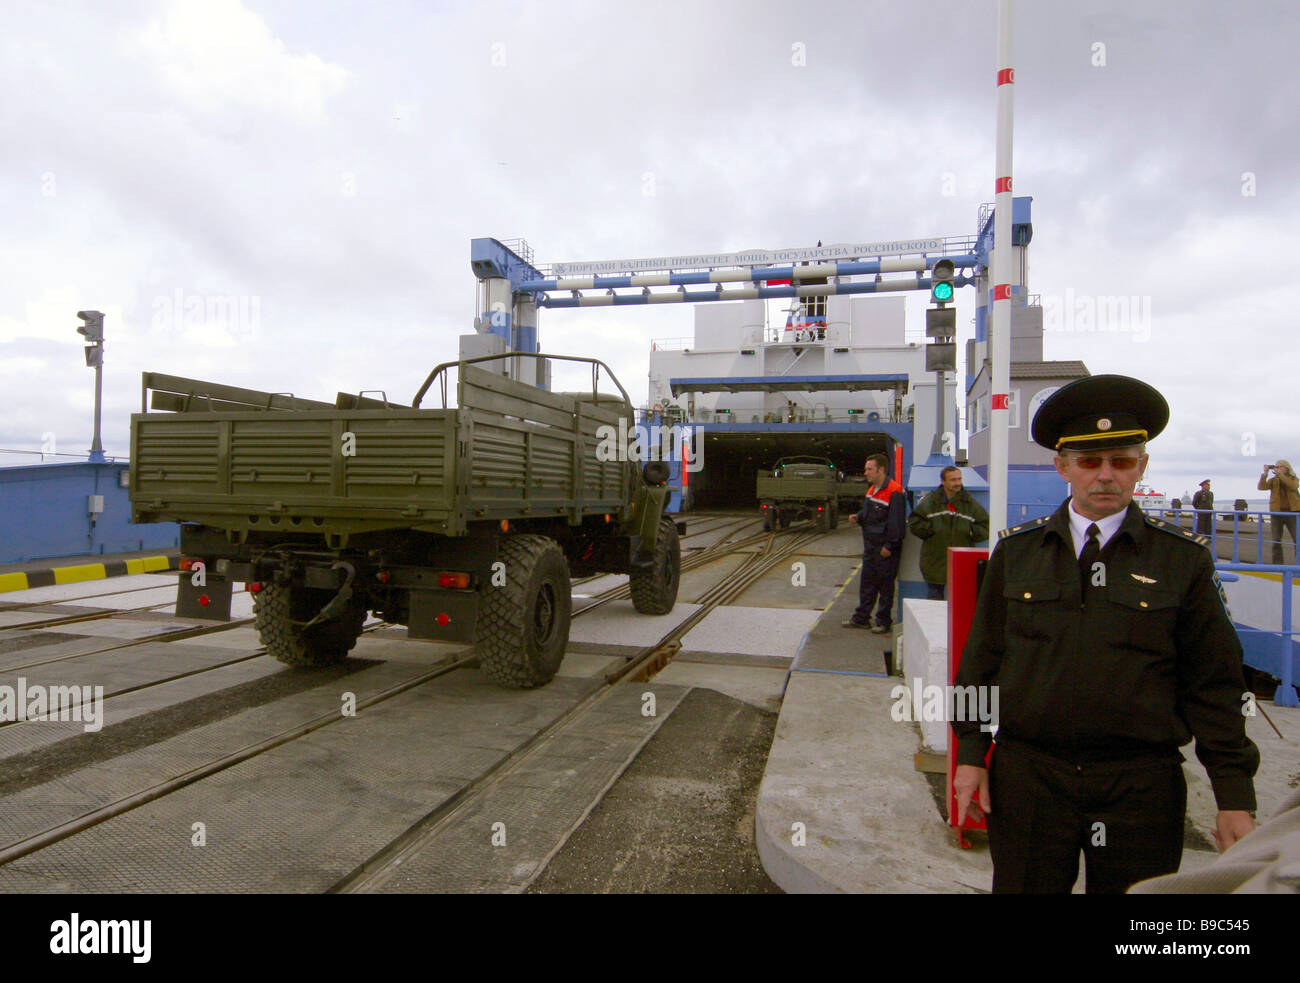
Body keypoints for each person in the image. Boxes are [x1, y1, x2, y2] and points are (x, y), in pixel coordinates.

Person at [952, 374, 1259, 894]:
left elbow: (1214, 684)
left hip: (1139, 786)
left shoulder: (1182, 560)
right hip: (1030, 777)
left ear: (1141, 466)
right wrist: (968, 756)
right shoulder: (1017, 553)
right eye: (1090, 462)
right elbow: (983, 660)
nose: (1106, 476)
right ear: (1063, 466)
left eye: (1122, 461)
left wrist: (1234, 796)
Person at [842, 452, 905, 634]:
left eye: (869, 469)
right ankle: (862, 618)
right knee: (867, 583)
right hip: (870, 547)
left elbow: (897, 523)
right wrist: (858, 517)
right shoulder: (872, 490)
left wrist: (889, 546)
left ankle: (883, 621)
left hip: (884, 549)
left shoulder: (894, 492)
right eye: (866, 469)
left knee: (885, 586)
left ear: (881, 470)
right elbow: (869, 514)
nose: (865, 472)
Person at [907, 466, 989, 600]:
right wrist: (932, 530)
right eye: (953, 480)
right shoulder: (931, 502)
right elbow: (915, 522)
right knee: (935, 601)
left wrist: (969, 531)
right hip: (934, 562)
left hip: (962, 564)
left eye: (959, 479)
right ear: (943, 482)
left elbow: (986, 526)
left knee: (961, 601)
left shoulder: (970, 504)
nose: (957, 483)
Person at [1257, 459, 1300, 565]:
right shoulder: (1274, 480)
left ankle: (1299, 564)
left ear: (1287, 468)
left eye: (1280, 466)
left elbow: (1292, 486)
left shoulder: (1293, 478)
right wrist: (1265, 474)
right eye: (1276, 467)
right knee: (1276, 540)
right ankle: (1277, 564)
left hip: (1292, 512)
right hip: (1277, 513)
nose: (1277, 468)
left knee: (1297, 539)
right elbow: (1261, 487)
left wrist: (1280, 475)